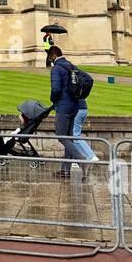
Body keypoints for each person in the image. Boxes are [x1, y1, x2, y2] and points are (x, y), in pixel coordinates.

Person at [46, 45, 98, 176]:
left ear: (53, 56)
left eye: (49, 57)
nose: (49, 60)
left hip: (64, 107)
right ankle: (65, 170)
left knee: (61, 136)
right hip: (75, 106)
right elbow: (88, 79)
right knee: (68, 137)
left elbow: (56, 89)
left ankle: (82, 161)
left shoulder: (57, 68)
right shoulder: (71, 66)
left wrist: (53, 99)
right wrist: (81, 95)